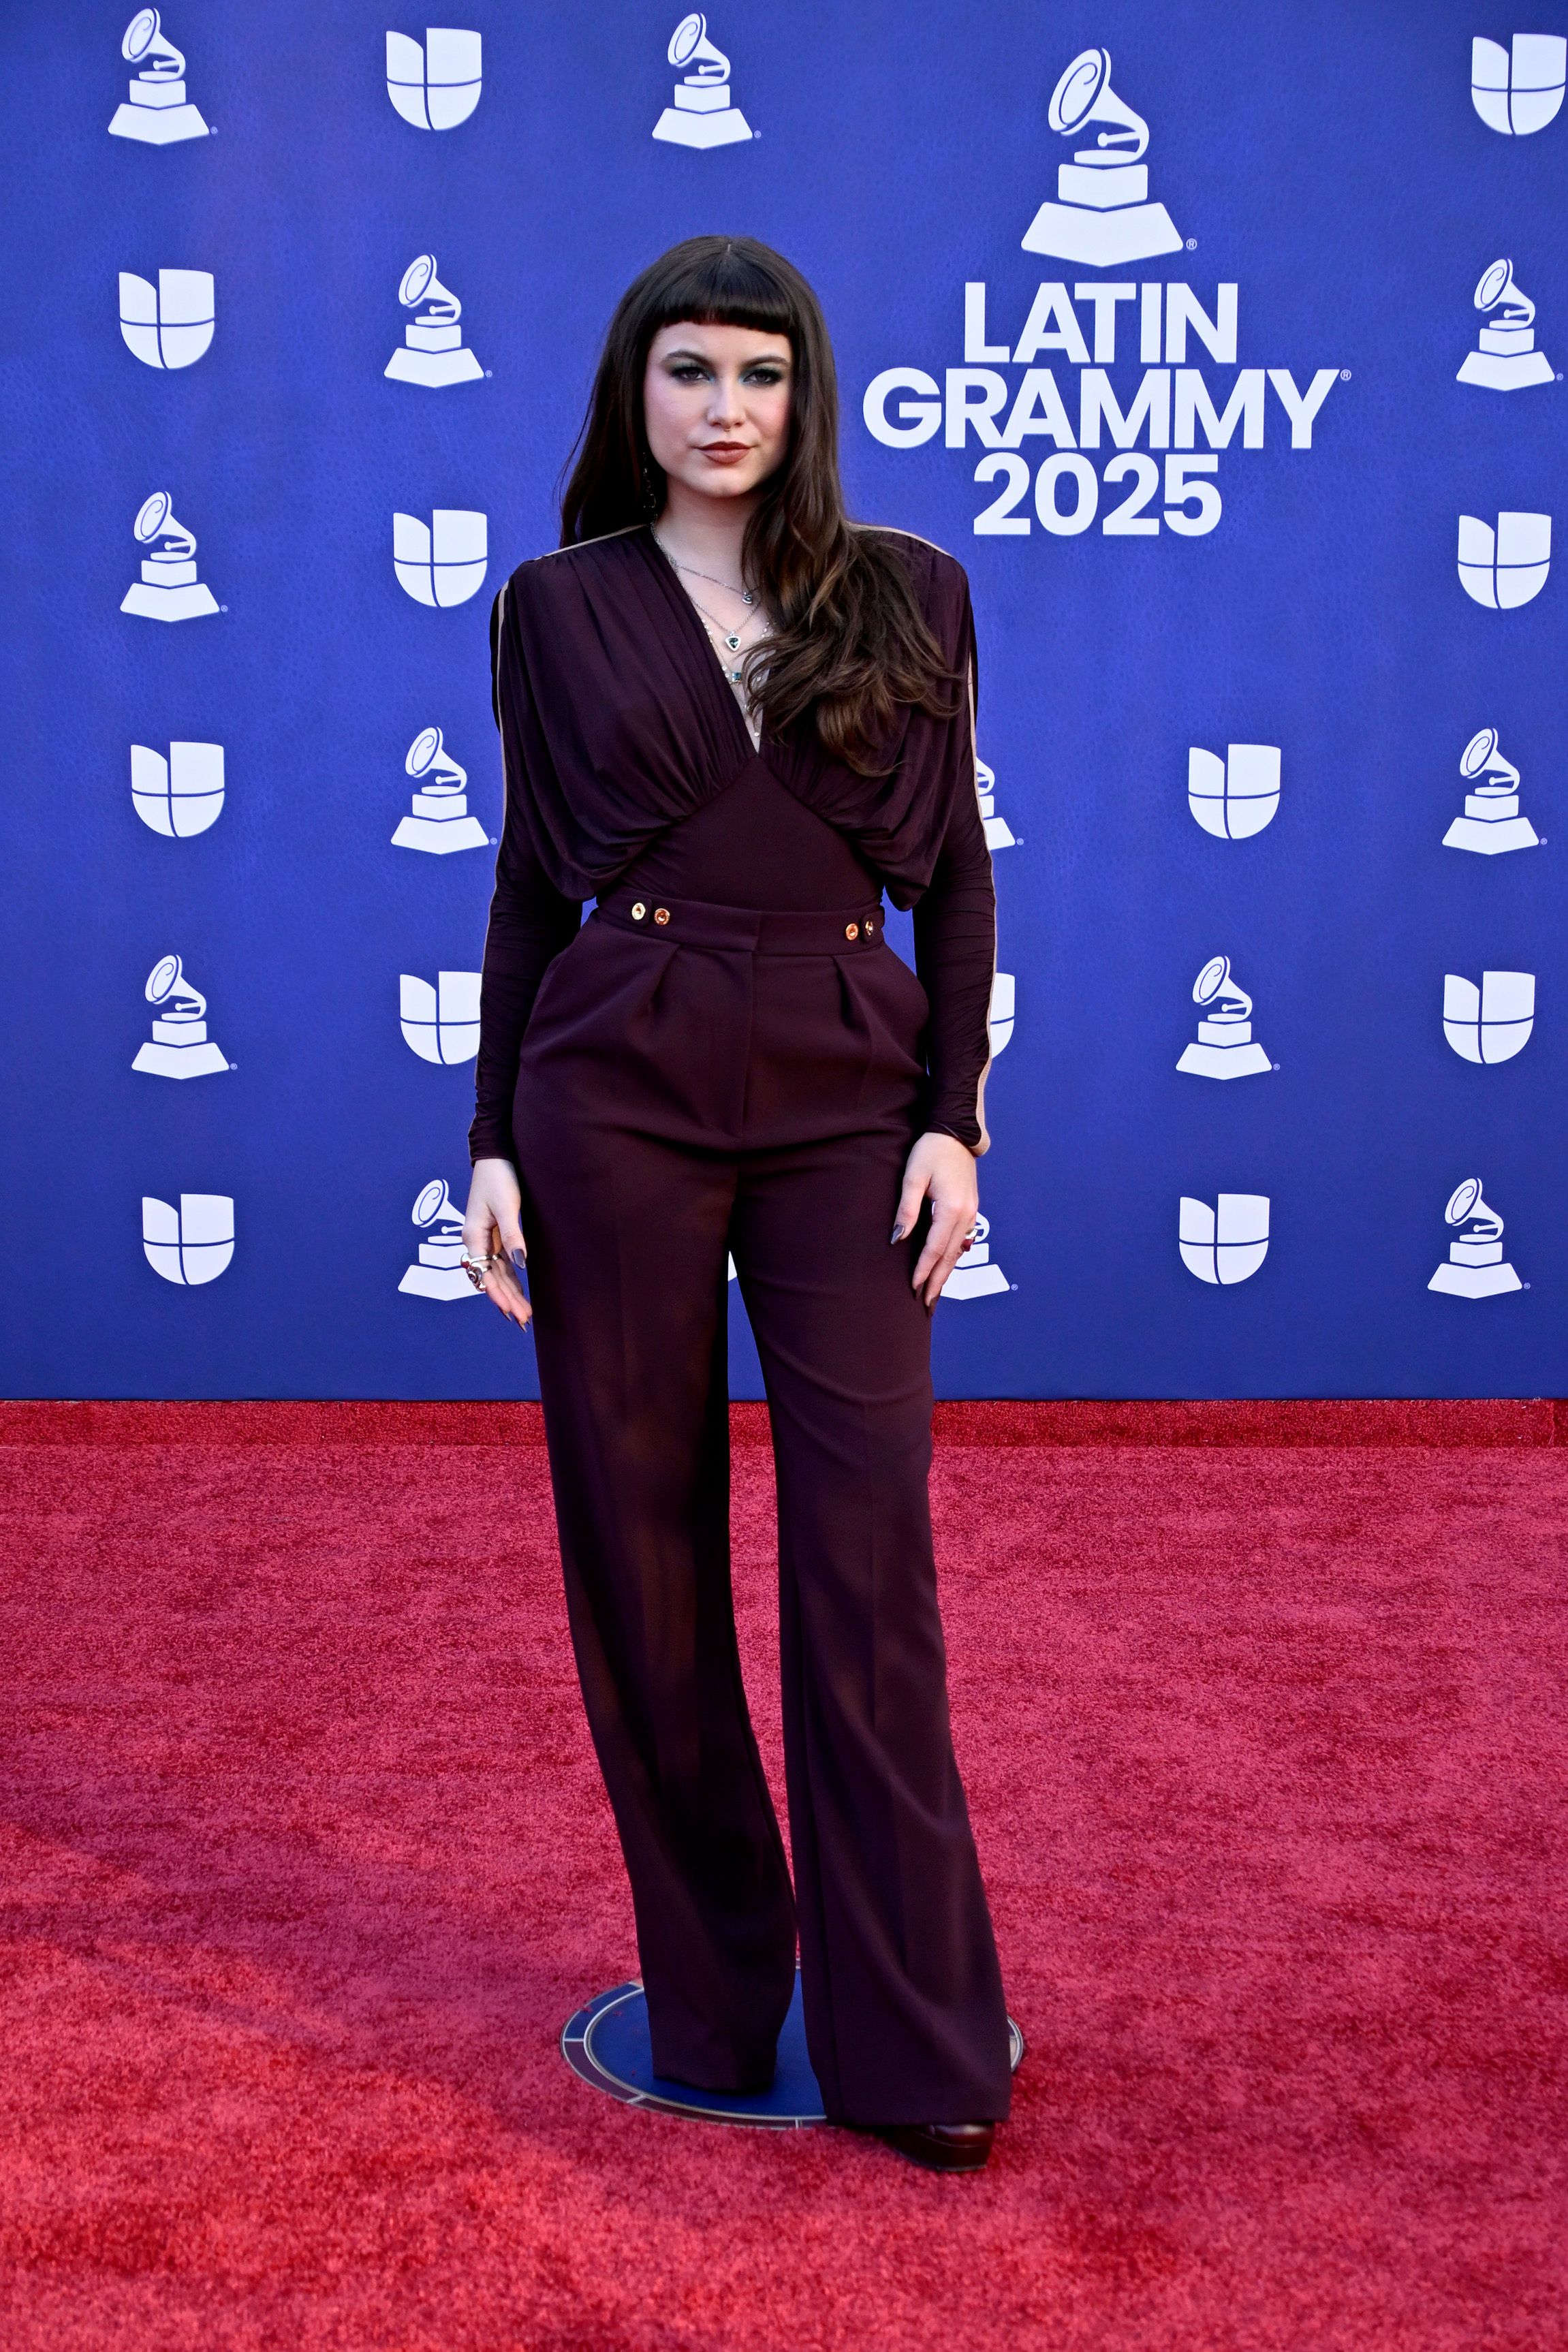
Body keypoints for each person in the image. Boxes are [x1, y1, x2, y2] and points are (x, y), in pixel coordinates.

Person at [462, 235, 1012, 2171]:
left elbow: (952, 879)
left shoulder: (913, 593)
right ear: (637, 391)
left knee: (867, 1551)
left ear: (806, 397)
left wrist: (956, 1117)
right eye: (687, 370)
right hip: (610, 1076)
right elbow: (533, 883)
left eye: (759, 375)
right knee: (643, 1550)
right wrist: (490, 1139)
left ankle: (921, 2035)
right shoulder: (554, 605)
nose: (723, 408)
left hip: (852, 1097)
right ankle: (712, 1998)